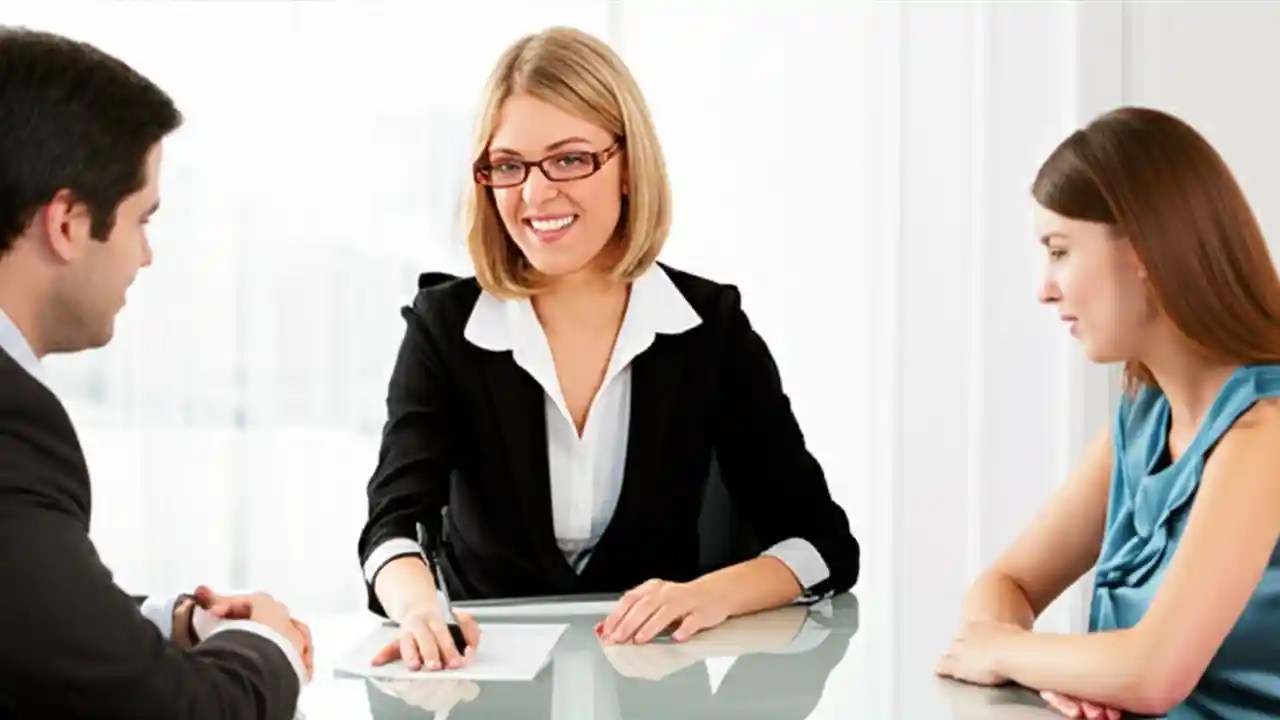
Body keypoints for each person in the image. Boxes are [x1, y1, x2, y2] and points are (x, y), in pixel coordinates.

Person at [358, 26, 859, 672]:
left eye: (569, 160)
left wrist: (710, 594)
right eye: (508, 166)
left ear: (629, 167)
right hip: (485, 686)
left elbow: (821, 543)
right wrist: (419, 608)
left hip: (657, 680)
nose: (534, 194)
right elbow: (392, 524)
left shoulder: (708, 327)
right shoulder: (447, 327)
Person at [0, 26, 312, 719]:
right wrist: (268, 642)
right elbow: (181, 712)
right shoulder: (12, 428)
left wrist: (171, 621)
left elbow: (26, 614)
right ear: (68, 222)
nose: (146, 255)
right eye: (142, 219)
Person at [937, 107, 1280, 720]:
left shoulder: (1264, 432)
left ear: (1144, 248)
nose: (1046, 288)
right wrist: (1046, 667)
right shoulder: (1141, 420)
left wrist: (1012, 653)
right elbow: (1006, 583)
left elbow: (1152, 676)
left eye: (1060, 251)